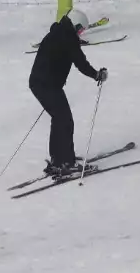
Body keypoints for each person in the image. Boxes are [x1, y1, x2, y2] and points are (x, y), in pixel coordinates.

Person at [29, 15, 108, 177]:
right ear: (76, 26)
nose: (80, 33)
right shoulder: (68, 38)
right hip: (48, 85)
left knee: (59, 119)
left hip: (40, 83)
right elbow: (80, 63)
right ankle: (66, 162)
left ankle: (58, 159)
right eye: (81, 30)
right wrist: (96, 75)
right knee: (65, 120)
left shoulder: (56, 32)